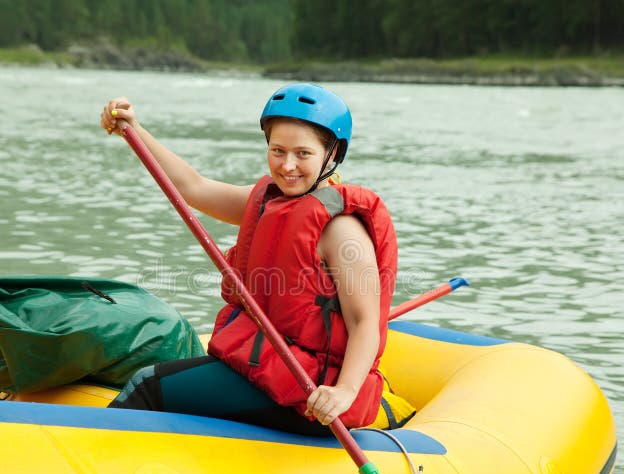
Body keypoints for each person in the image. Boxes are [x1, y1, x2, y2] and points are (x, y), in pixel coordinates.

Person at [101, 83, 412, 435]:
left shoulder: (342, 231)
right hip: (272, 371)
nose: (288, 165)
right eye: (278, 151)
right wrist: (134, 131)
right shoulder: (269, 202)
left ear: (332, 154)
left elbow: (365, 323)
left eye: (303, 153)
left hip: (313, 398)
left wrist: (344, 392)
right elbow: (193, 187)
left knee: (146, 385)